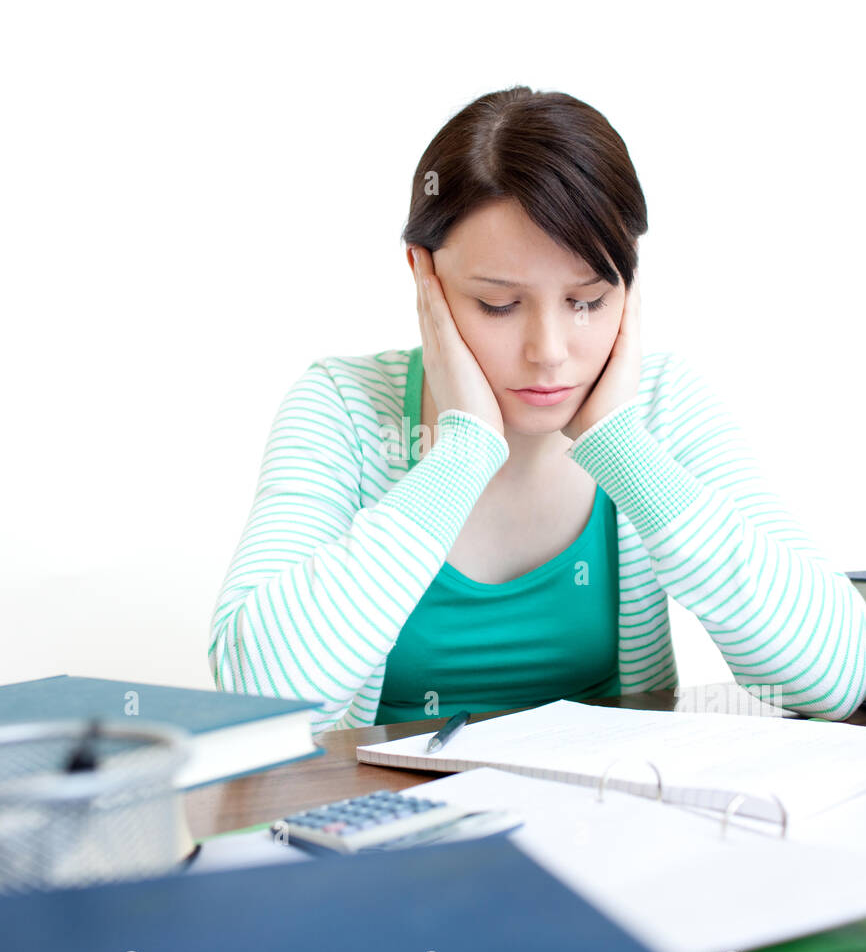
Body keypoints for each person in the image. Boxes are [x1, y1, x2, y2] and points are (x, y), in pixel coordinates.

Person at [208, 87, 866, 730]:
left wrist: (623, 450)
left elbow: (834, 676)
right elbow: (260, 695)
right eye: (499, 304)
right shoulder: (345, 407)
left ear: (630, 280)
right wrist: (462, 454)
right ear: (423, 274)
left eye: (589, 298)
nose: (549, 352)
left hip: (605, 821)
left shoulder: (661, 403)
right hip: (382, 822)